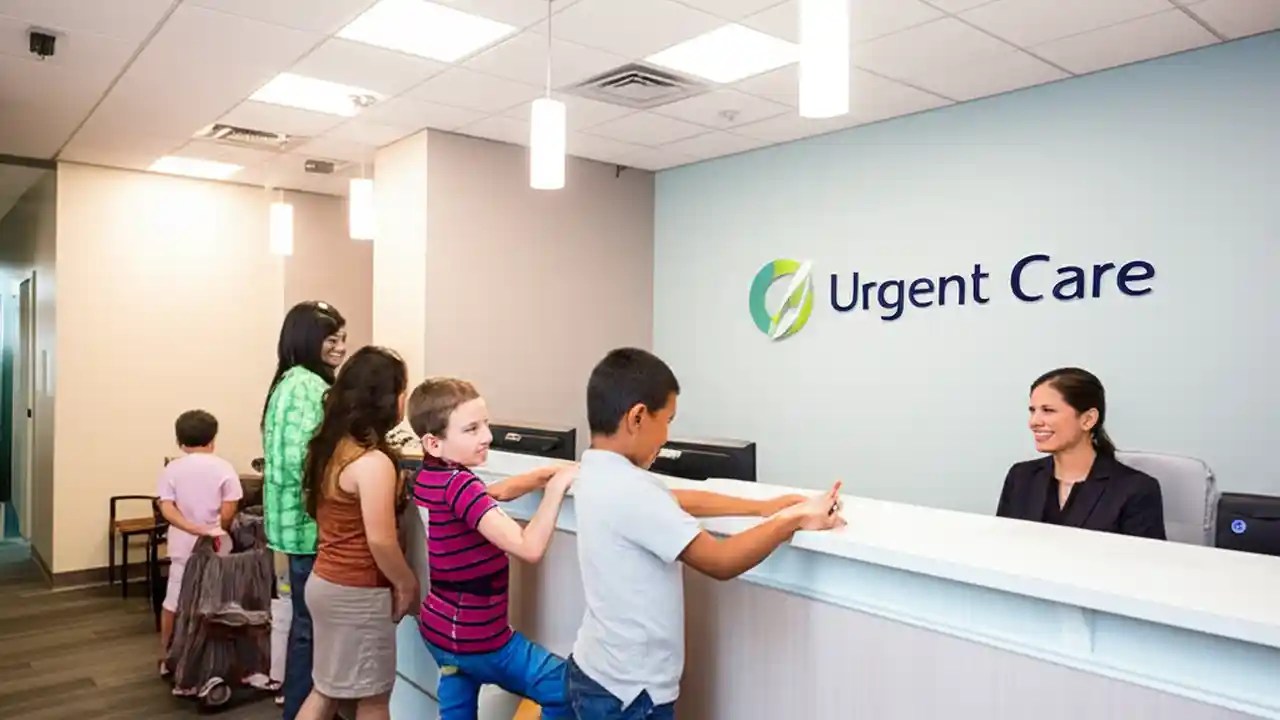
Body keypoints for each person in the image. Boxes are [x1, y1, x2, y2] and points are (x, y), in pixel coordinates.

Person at [567, 348, 845, 720]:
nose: (667, 436)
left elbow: (673, 498)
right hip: (632, 693)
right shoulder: (631, 492)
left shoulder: (597, 472)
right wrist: (791, 520)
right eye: (667, 420)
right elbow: (720, 561)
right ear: (637, 417)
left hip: (594, 669)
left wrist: (761, 507)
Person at [407, 377, 578, 720]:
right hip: (480, 639)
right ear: (434, 443)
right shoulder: (461, 485)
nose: (487, 436)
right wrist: (558, 487)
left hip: (440, 631)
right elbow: (529, 548)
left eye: (486, 424)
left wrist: (540, 474)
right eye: (471, 429)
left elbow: (487, 496)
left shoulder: (431, 476)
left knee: (457, 708)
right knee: (567, 691)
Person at [295, 346, 418, 720]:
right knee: (372, 698)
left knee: (332, 691)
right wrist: (406, 582)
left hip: (327, 584)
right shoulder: (372, 462)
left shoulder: (332, 449)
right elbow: (379, 539)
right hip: (358, 595)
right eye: (402, 390)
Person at [262, 300, 347, 717]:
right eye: (332, 339)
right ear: (309, 342)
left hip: (296, 528)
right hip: (309, 529)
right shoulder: (306, 387)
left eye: (343, 338)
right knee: (311, 631)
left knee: (306, 628)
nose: (340, 348)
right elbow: (304, 463)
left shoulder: (289, 383)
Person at [996, 367, 1166, 539]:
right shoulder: (1021, 477)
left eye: (1048, 410)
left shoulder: (1136, 489)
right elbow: (1003, 547)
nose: (1034, 422)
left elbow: (1145, 562)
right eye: (1033, 410)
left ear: (1088, 419)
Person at [156, 410, 242, 674]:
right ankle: (210, 659)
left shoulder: (172, 468)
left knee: (173, 601)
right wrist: (214, 529)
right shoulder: (224, 467)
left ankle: (168, 658)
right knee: (215, 601)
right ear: (213, 440)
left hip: (182, 546)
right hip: (217, 544)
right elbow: (229, 510)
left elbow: (166, 507)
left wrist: (191, 527)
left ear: (180, 442)